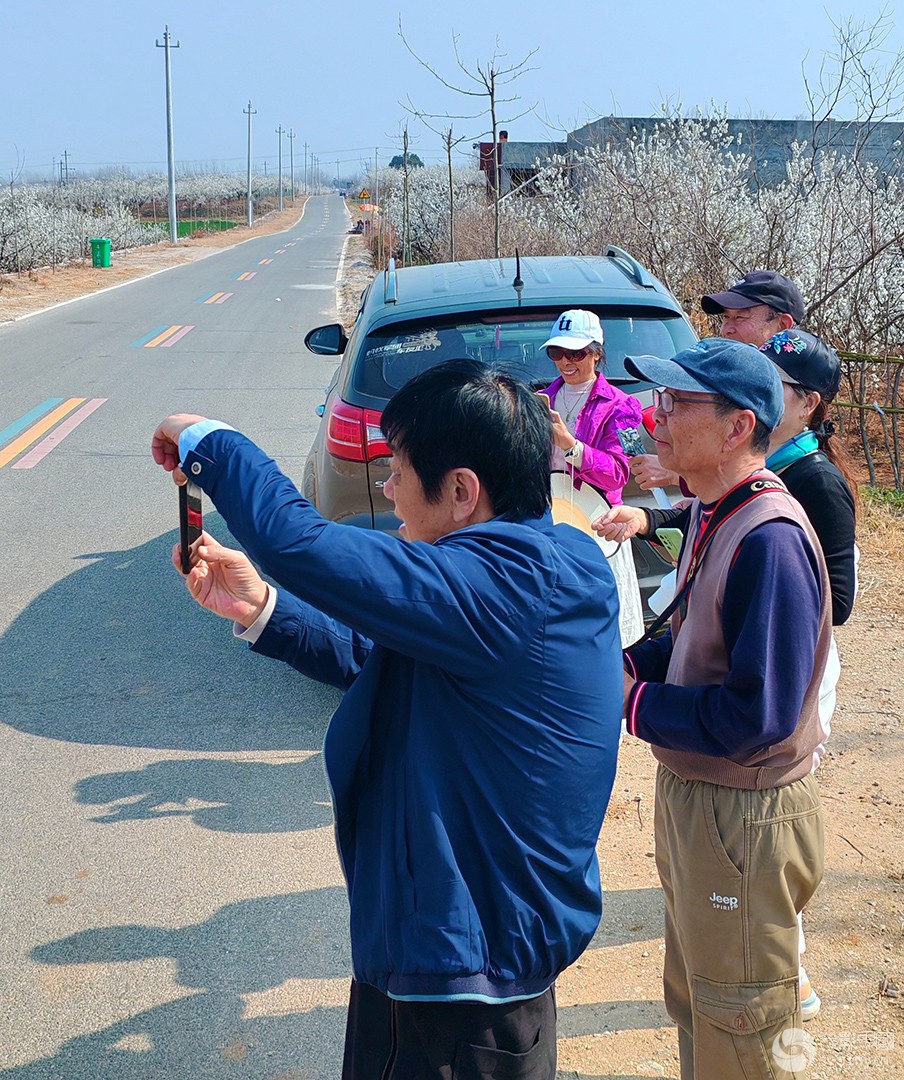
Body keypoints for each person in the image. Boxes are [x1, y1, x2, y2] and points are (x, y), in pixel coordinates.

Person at [151, 359, 624, 1080]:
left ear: (462, 491)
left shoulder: (504, 586)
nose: (387, 486)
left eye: (399, 469)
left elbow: (295, 541)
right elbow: (379, 653)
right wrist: (261, 611)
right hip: (442, 951)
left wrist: (202, 437)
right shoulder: (542, 558)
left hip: (465, 988)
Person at [618, 338, 832, 1080]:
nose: (656, 418)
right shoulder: (717, 510)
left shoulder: (769, 539)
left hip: (743, 813)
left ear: (739, 427)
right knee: (699, 1001)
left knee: (742, 1021)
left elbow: (758, 716)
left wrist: (635, 703)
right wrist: (625, 669)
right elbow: (688, 636)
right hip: (701, 796)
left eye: (677, 404)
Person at [629, 270, 806, 492]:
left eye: (741, 317)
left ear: (782, 326)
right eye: (726, 317)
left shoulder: (795, 397)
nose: (726, 329)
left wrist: (676, 476)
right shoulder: (734, 380)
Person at [537, 309, 644, 643]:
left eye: (577, 353)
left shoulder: (623, 406)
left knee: (606, 634)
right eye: (557, 353)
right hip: (548, 528)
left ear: (597, 353)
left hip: (598, 528)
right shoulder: (541, 399)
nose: (566, 362)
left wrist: (572, 447)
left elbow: (619, 473)